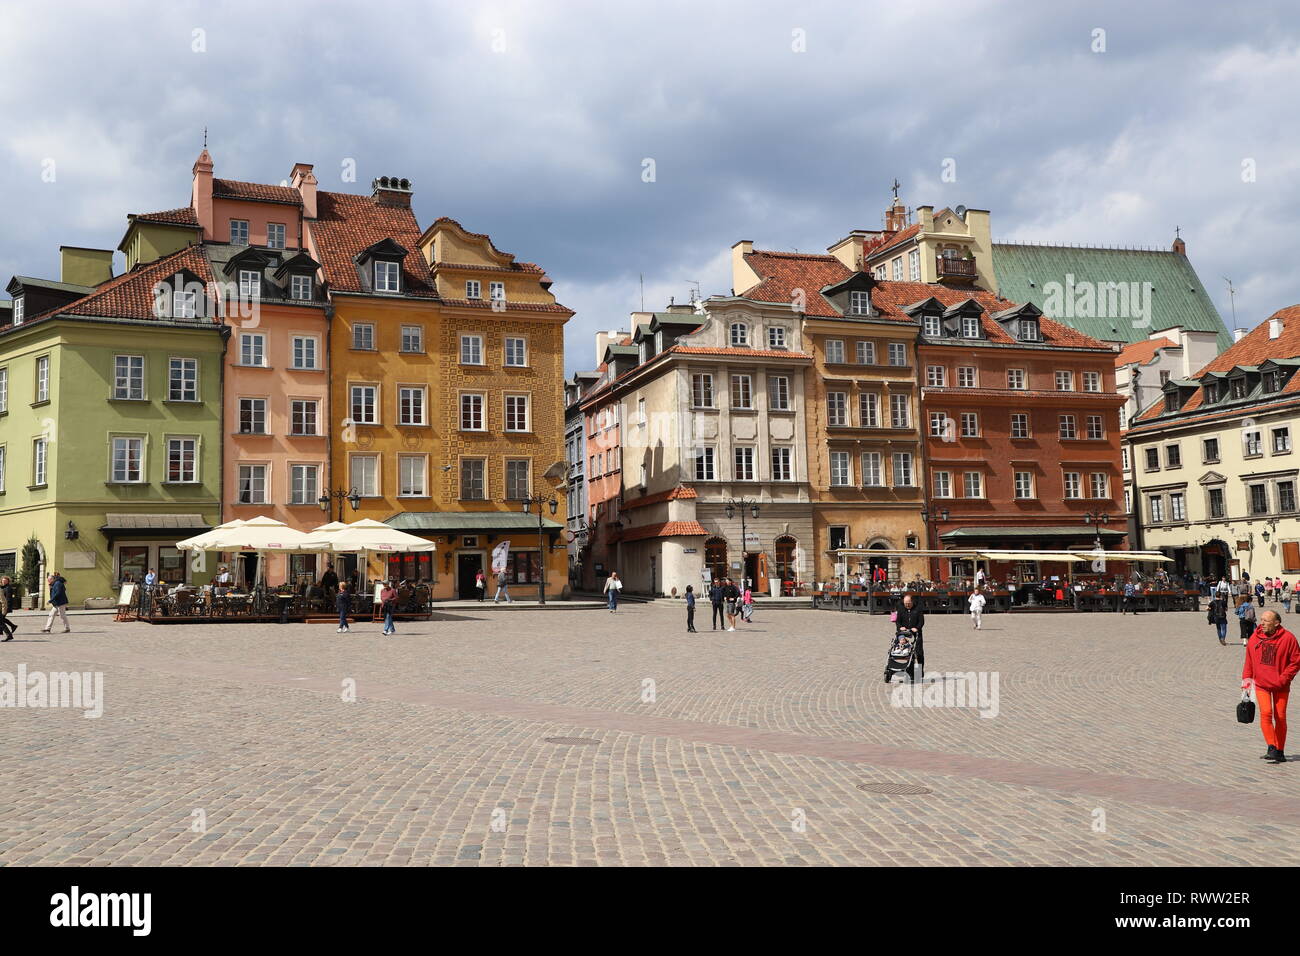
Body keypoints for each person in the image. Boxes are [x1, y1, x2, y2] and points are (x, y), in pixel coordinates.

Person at [1242, 609, 1300, 763]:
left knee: (1280, 717)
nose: (1262, 623)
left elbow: (1295, 661)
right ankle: (1271, 747)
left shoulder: (1288, 638)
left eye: (1266, 621)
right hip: (1261, 684)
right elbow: (1249, 660)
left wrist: (1284, 678)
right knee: (1266, 713)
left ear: (1276, 623)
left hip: (1281, 685)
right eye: (1261, 620)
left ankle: (1280, 751)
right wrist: (1246, 683)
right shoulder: (1255, 637)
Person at [895, 594, 925, 682]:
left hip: (916, 634)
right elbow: (898, 621)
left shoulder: (918, 609)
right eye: (905, 603)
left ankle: (919, 672)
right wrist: (900, 627)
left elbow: (921, 621)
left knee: (918, 654)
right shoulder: (901, 609)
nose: (907, 605)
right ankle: (911, 673)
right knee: (908, 654)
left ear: (912, 602)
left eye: (908, 603)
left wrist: (917, 628)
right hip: (904, 634)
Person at [0, 577, 13, 642]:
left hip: (2, 608)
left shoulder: (2, 590)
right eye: (3, 581)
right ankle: (9, 634)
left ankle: (9, 635)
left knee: (1, 622)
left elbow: (4, 601)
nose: (3, 582)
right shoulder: (2, 588)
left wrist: (4, 611)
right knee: (1, 622)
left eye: (5, 581)